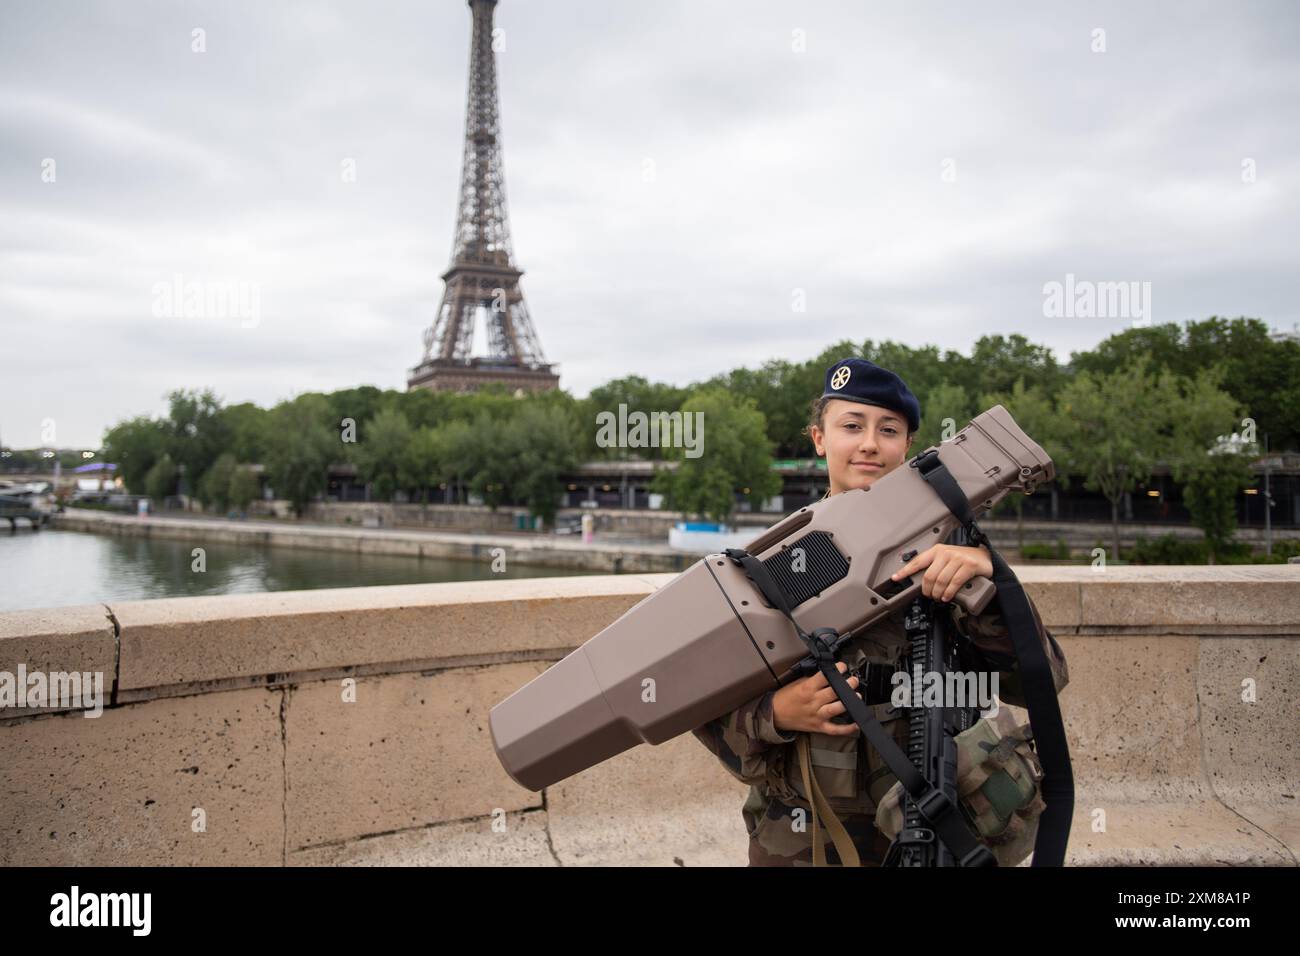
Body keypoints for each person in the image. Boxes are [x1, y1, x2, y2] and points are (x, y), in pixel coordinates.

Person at [691, 357, 1069, 866]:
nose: (870, 443)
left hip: (939, 821)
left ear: (908, 446)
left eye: (888, 429)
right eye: (851, 426)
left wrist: (990, 583)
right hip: (802, 835)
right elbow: (698, 705)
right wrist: (776, 713)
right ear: (819, 438)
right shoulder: (769, 564)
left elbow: (1044, 680)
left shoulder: (950, 544)